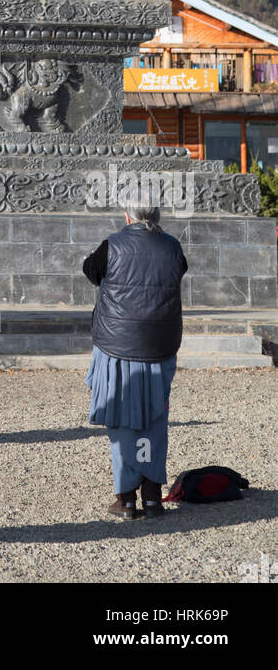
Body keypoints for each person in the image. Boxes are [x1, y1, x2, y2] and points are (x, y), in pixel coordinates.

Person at [83, 202, 187, 519]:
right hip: (159, 345)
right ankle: (153, 497)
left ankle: (126, 498)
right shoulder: (172, 246)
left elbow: (91, 272)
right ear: (157, 217)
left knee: (123, 419)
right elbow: (179, 271)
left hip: (116, 345)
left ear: (128, 217)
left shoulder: (112, 244)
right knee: (154, 419)